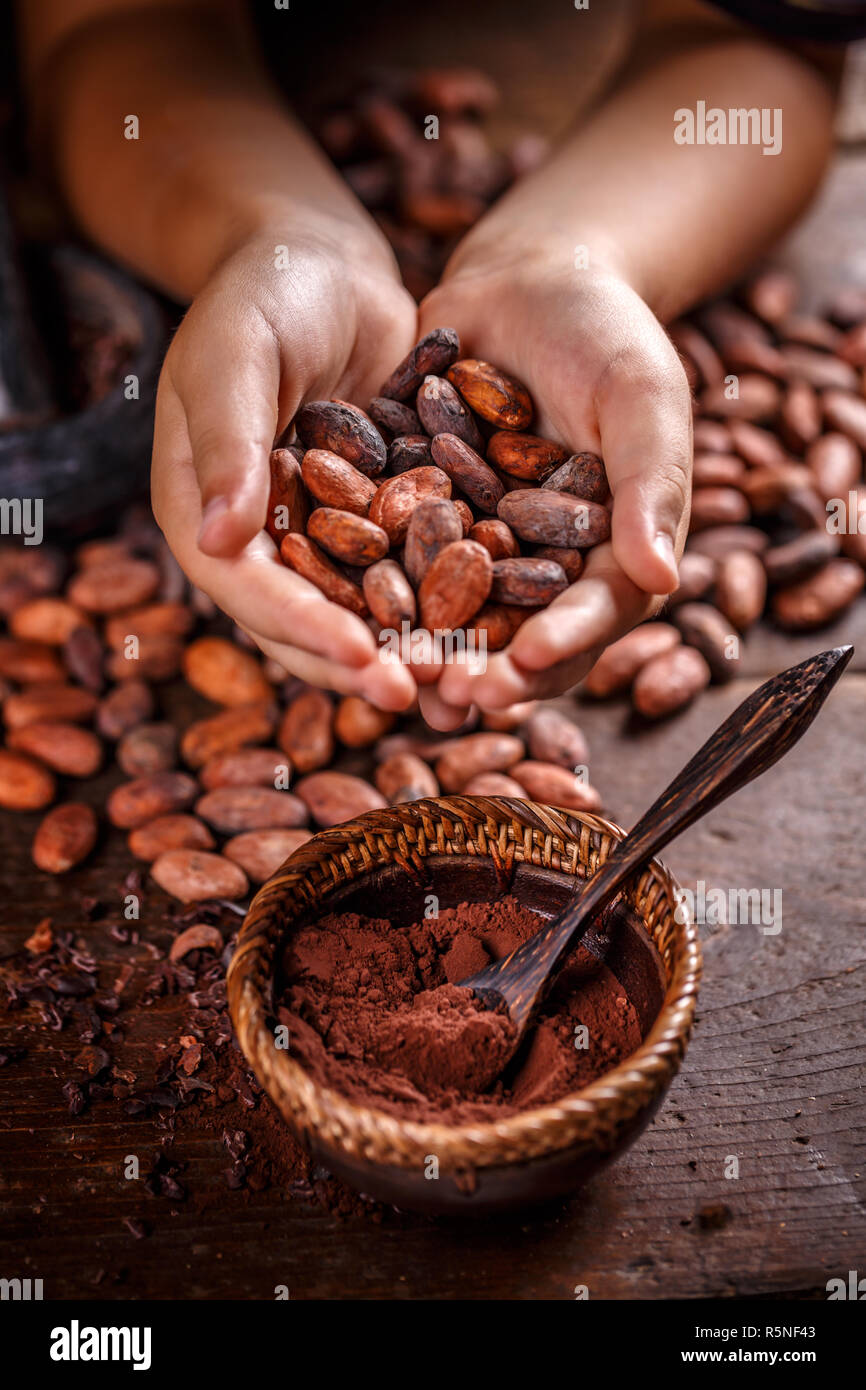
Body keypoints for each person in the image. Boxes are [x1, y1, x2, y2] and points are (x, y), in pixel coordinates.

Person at [18, 0, 862, 727]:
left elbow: (763, 45)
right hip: (217, 140)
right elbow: (116, 30)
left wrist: (574, 256)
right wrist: (279, 240)